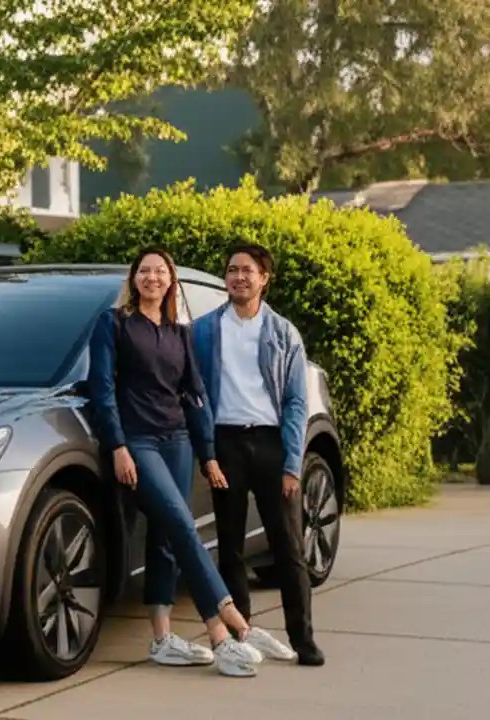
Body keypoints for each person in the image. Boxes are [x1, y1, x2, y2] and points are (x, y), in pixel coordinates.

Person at [87, 247, 286, 678]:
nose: (152, 277)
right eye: (144, 271)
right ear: (134, 278)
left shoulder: (180, 334)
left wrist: (208, 454)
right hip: (138, 443)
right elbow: (102, 389)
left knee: (166, 538)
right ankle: (232, 627)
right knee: (181, 522)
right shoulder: (114, 324)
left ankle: (162, 640)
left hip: (177, 440)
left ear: (171, 280)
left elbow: (195, 397)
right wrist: (118, 445)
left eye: (160, 271)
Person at [191, 243, 326, 667]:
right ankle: (241, 636)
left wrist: (291, 463)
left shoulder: (283, 332)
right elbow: (194, 395)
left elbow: (295, 403)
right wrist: (207, 453)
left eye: (247, 270)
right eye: (232, 270)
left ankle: (303, 640)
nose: (238, 277)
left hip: (269, 446)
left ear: (264, 278)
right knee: (229, 546)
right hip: (226, 444)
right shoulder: (205, 330)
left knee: (288, 548)